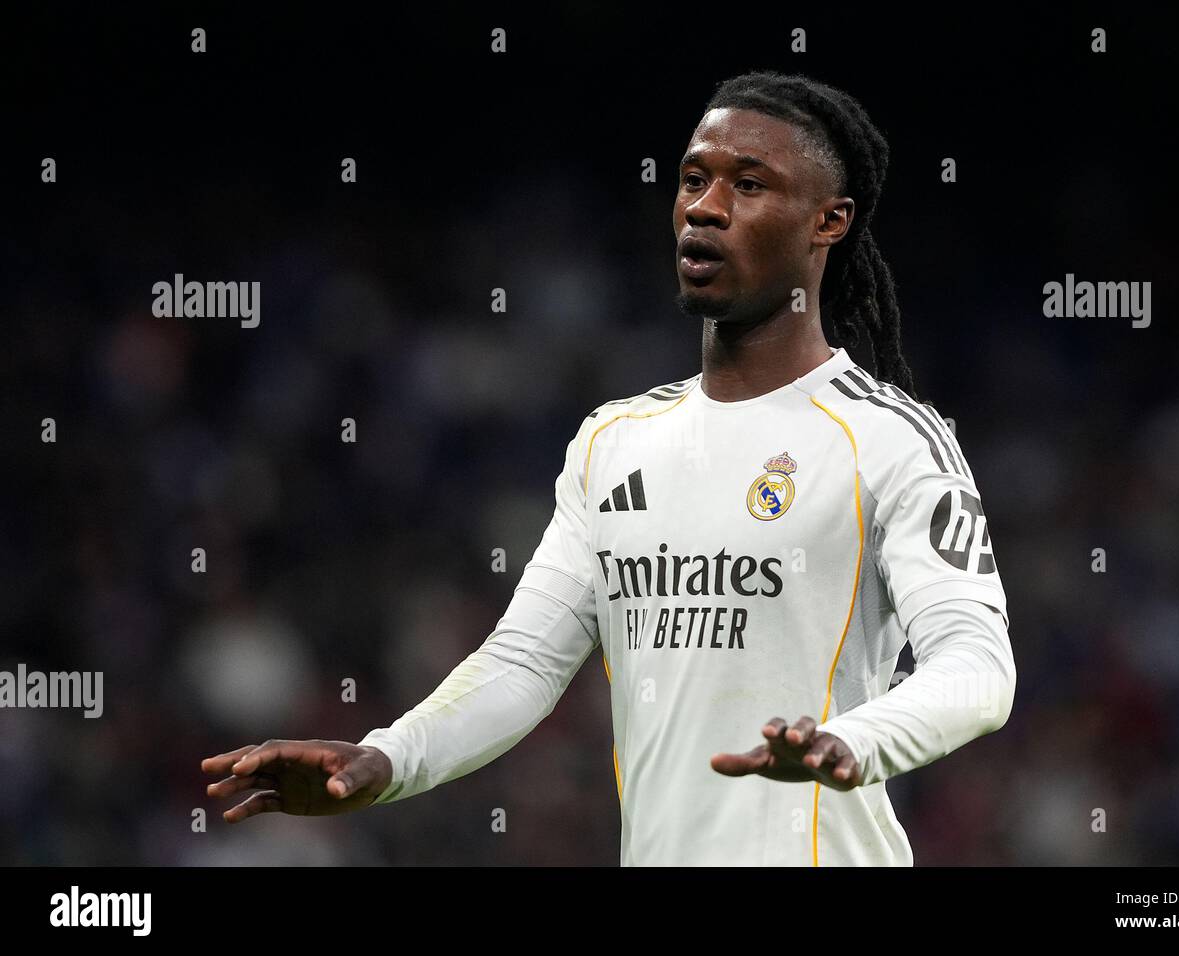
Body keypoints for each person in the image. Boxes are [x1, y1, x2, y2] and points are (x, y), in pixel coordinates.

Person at [202, 70, 1016, 866]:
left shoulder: (890, 438)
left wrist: (851, 740)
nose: (705, 207)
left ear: (828, 222)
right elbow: (523, 662)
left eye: (750, 184)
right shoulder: (613, 441)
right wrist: (386, 761)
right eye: (694, 179)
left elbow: (979, 668)